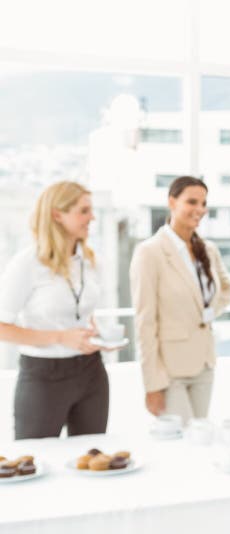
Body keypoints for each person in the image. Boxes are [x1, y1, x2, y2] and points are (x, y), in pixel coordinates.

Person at [0, 181, 113, 439]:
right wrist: (61, 338)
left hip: (91, 371)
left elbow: (78, 312)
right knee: (34, 463)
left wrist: (95, 334)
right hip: (43, 376)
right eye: (84, 211)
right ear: (57, 215)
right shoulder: (28, 263)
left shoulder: (90, 262)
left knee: (92, 457)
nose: (92, 217)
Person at [130, 176, 230, 423]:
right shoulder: (150, 252)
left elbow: (226, 289)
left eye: (204, 203)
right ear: (172, 202)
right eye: (192, 202)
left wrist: (207, 313)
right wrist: (151, 384)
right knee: (181, 444)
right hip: (170, 370)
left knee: (201, 437)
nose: (200, 210)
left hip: (204, 363)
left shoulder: (208, 250)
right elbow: (145, 322)